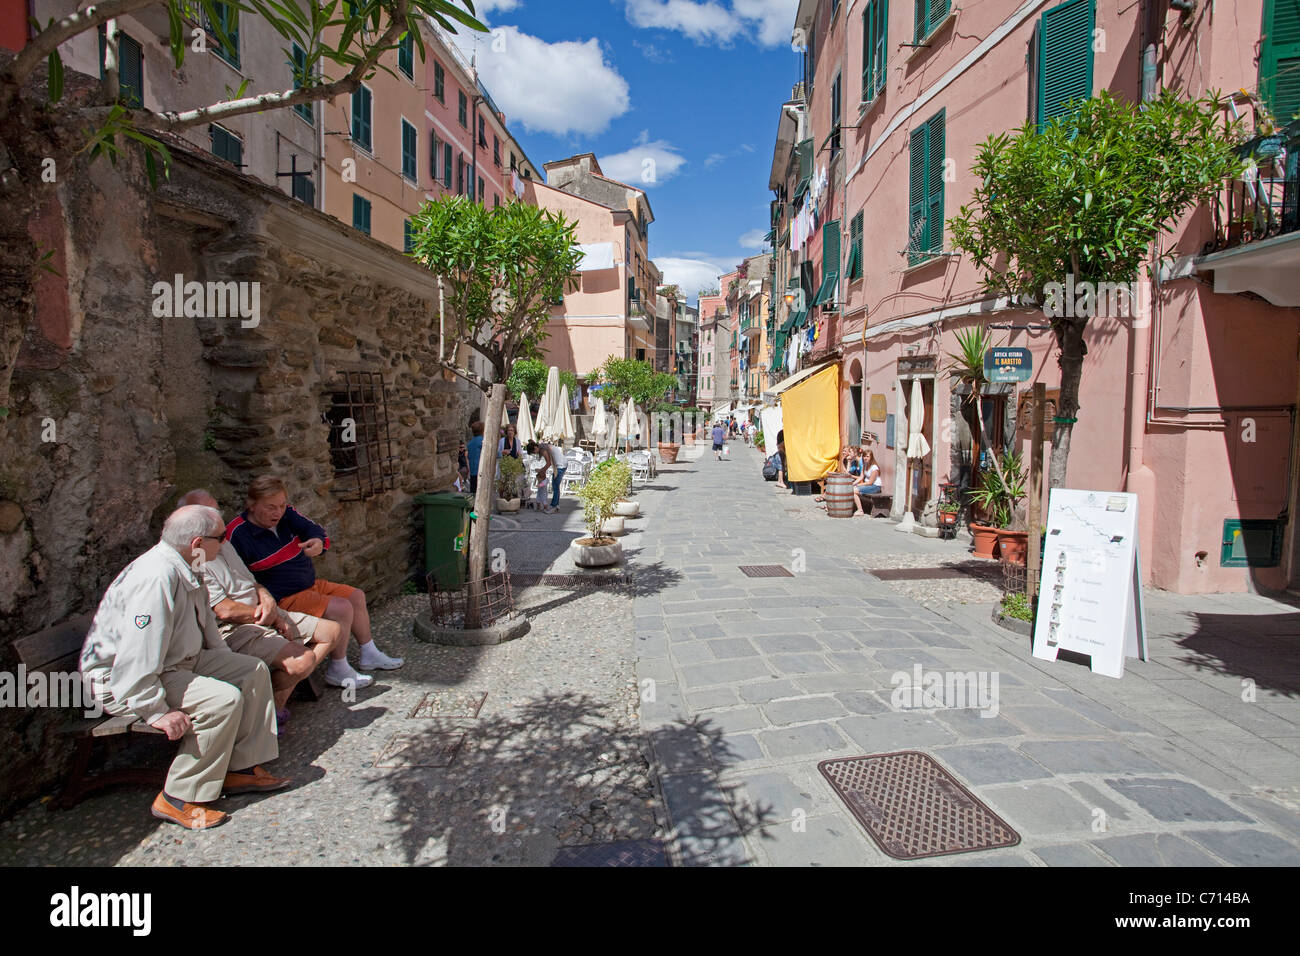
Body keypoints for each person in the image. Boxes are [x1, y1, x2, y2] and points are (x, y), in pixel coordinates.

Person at [80, 505, 287, 830]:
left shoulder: (189, 565)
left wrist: (226, 660)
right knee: (222, 700)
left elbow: (206, 623)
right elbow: (136, 655)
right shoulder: (155, 577)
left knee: (252, 671)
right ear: (197, 543)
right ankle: (177, 796)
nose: (224, 544)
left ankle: (238, 767)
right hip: (129, 681)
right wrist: (154, 710)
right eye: (220, 538)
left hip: (176, 661)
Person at [178, 491, 364, 729]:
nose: (219, 520)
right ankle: (267, 710)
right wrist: (272, 615)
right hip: (238, 626)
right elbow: (224, 611)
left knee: (332, 631)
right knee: (301, 661)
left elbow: (250, 581)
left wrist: (265, 597)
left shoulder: (223, 543)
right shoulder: (197, 557)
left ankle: (274, 703)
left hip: (265, 609)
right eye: (210, 515)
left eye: (218, 513)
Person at [226, 476, 404, 682]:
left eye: (282, 505)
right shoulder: (237, 535)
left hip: (310, 584)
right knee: (342, 608)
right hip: (284, 598)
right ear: (252, 505)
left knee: (356, 596)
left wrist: (318, 542)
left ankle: (369, 652)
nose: (278, 512)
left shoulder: (287, 515)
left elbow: (314, 529)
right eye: (270, 507)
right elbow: (239, 578)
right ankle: (338, 668)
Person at [526, 440, 566, 513]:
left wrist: (541, 471)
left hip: (561, 465)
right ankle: (556, 505)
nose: (535, 453)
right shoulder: (543, 446)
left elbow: (549, 463)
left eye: (533, 452)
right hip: (561, 464)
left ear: (535, 447)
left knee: (555, 486)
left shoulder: (543, 450)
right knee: (555, 486)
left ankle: (554, 506)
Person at [852, 448, 883, 516]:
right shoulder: (865, 465)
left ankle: (860, 510)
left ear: (871, 457)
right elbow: (861, 477)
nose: (865, 458)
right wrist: (853, 484)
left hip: (875, 487)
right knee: (852, 488)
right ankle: (855, 508)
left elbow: (870, 483)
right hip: (868, 485)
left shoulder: (874, 468)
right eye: (864, 456)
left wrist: (859, 485)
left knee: (854, 491)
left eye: (867, 456)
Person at [466, 421, 485, 494]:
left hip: (473, 471)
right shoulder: (482, 441)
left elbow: (469, 456)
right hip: (481, 470)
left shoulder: (470, 443)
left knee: (473, 492)